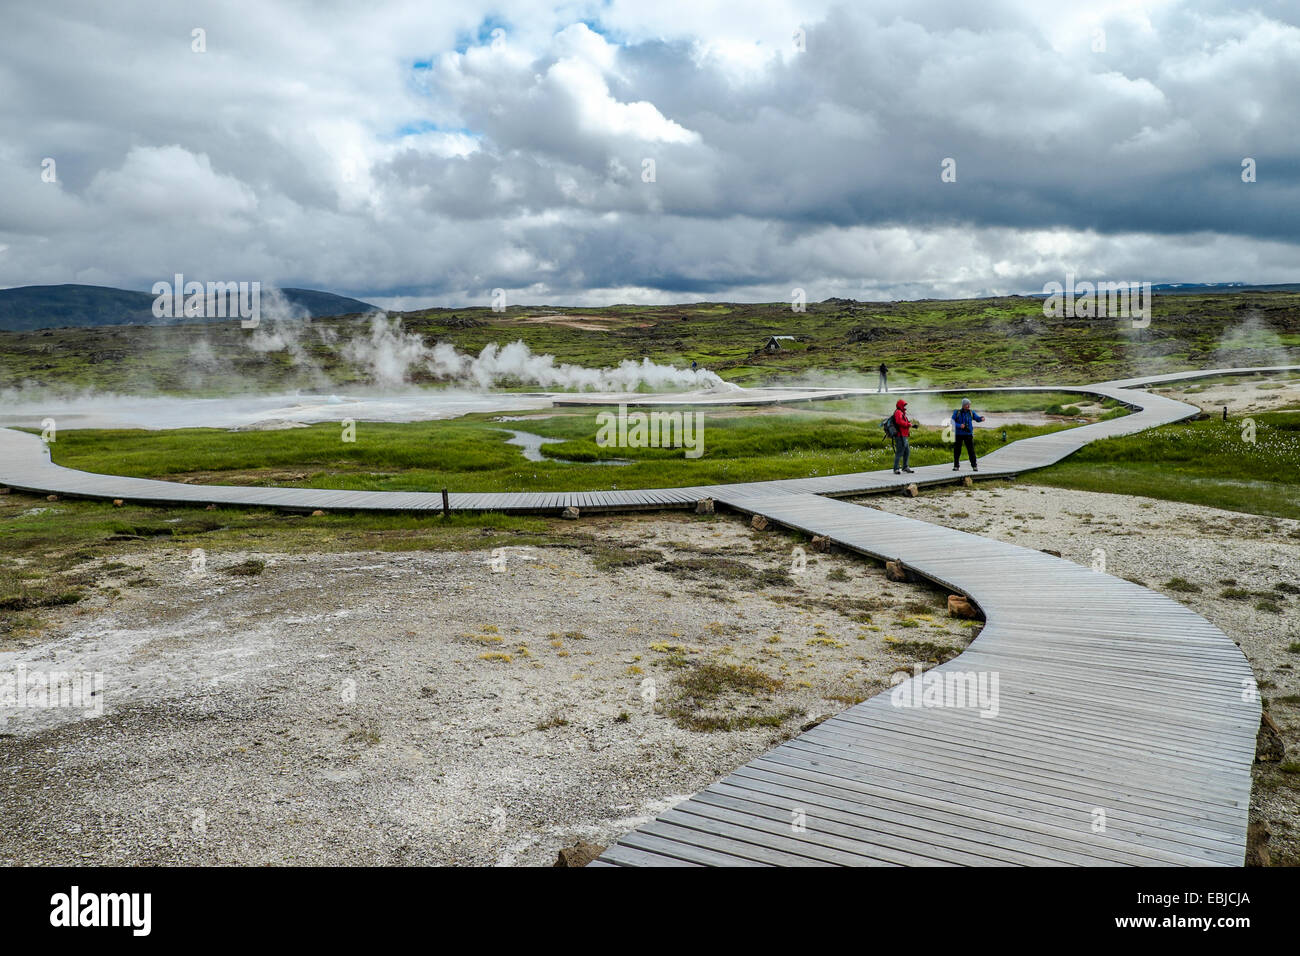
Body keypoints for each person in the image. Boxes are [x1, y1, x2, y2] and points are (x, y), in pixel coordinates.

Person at [951, 397, 985, 471]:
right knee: (957, 451)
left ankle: (974, 466)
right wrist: (960, 425)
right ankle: (956, 466)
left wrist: (981, 418)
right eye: (967, 404)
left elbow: (977, 419)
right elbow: (952, 422)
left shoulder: (971, 412)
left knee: (971, 451)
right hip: (958, 434)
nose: (969, 406)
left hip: (968, 434)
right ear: (963, 405)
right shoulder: (957, 412)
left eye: (969, 404)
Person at [891, 399, 914, 475]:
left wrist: (911, 425)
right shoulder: (898, 412)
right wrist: (908, 425)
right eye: (903, 405)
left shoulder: (902, 413)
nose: (905, 406)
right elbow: (899, 422)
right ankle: (896, 469)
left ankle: (905, 467)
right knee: (899, 452)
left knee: (907, 451)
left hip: (904, 435)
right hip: (900, 436)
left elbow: (904, 422)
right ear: (900, 405)